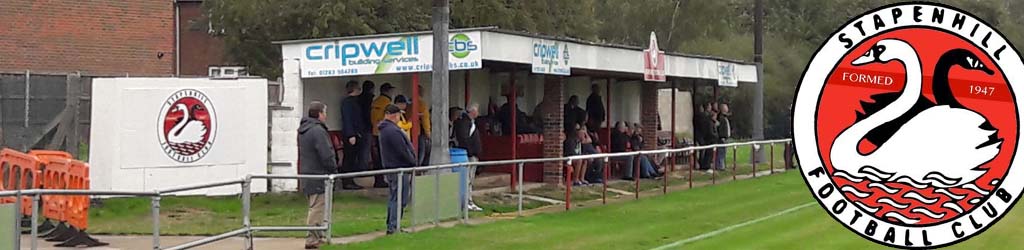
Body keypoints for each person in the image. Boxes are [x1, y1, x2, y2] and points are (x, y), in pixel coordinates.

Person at [297, 101, 337, 249]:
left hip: (308, 172)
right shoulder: (318, 131)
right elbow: (326, 153)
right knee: (317, 207)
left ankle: (317, 235)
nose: (326, 115)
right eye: (324, 112)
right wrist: (333, 168)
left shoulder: (304, 130)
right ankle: (312, 239)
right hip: (318, 174)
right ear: (320, 114)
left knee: (315, 206)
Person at [378, 104, 416, 235]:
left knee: (395, 197)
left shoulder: (387, 130)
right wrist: (412, 161)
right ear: (394, 115)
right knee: (399, 198)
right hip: (398, 168)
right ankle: (393, 226)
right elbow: (402, 150)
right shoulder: (392, 131)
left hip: (394, 167)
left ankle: (393, 225)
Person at [454, 103, 484, 211]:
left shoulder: (470, 123)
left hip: (472, 155)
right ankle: (466, 201)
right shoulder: (464, 123)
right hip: (468, 156)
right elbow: (464, 139)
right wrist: (470, 152)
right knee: (467, 180)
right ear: (473, 112)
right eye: (477, 111)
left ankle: (469, 200)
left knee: (470, 180)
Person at [340, 80, 367, 190]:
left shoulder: (353, 102)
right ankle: (347, 181)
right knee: (349, 157)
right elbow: (348, 119)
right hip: (352, 135)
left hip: (356, 133)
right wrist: (351, 134)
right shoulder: (347, 103)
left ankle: (350, 179)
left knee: (353, 157)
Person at [368, 83, 396, 188]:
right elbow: (387, 119)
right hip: (383, 133)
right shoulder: (387, 103)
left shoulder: (375, 102)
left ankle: (378, 180)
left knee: (376, 158)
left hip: (374, 131)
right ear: (387, 91)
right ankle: (383, 180)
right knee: (385, 158)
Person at [714, 103, 732, 170]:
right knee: (721, 152)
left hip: (725, 137)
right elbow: (721, 128)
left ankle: (721, 165)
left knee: (723, 152)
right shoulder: (721, 118)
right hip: (722, 138)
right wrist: (722, 137)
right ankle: (720, 166)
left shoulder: (724, 117)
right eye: (726, 108)